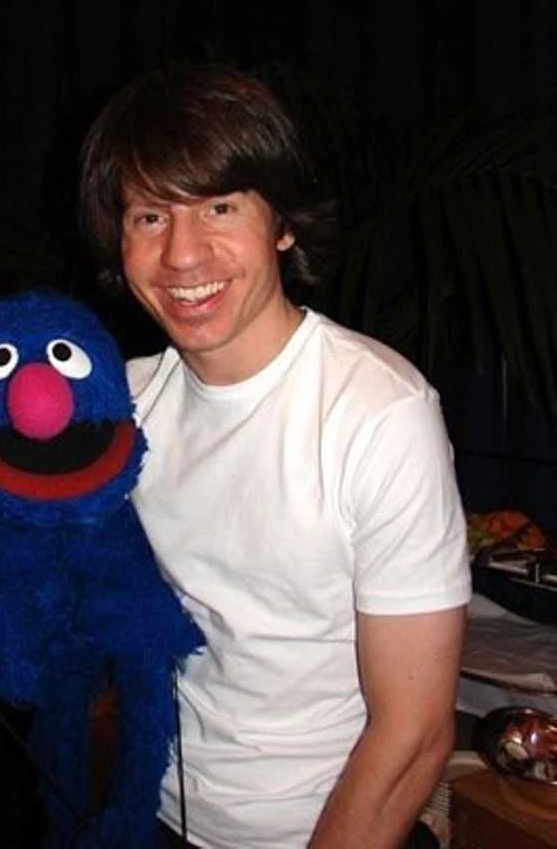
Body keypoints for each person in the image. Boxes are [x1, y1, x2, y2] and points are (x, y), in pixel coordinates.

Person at [77, 63, 472, 849]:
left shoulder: (376, 413)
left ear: (282, 224)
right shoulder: (121, 404)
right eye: (150, 216)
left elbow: (415, 733)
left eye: (219, 207)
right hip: (159, 813)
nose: (182, 256)